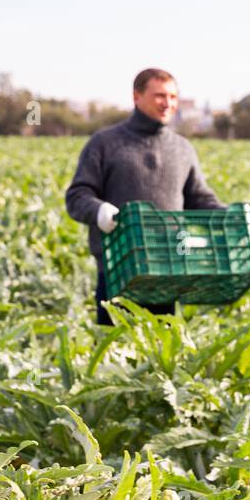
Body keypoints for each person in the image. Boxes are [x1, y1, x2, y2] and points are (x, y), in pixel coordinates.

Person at [65, 68, 225, 323]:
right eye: (160, 96)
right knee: (114, 354)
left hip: (168, 268)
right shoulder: (104, 143)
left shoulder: (182, 148)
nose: (168, 103)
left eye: (173, 97)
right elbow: (77, 196)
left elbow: (198, 199)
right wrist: (99, 210)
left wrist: (226, 216)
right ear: (136, 97)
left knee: (161, 355)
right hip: (118, 269)